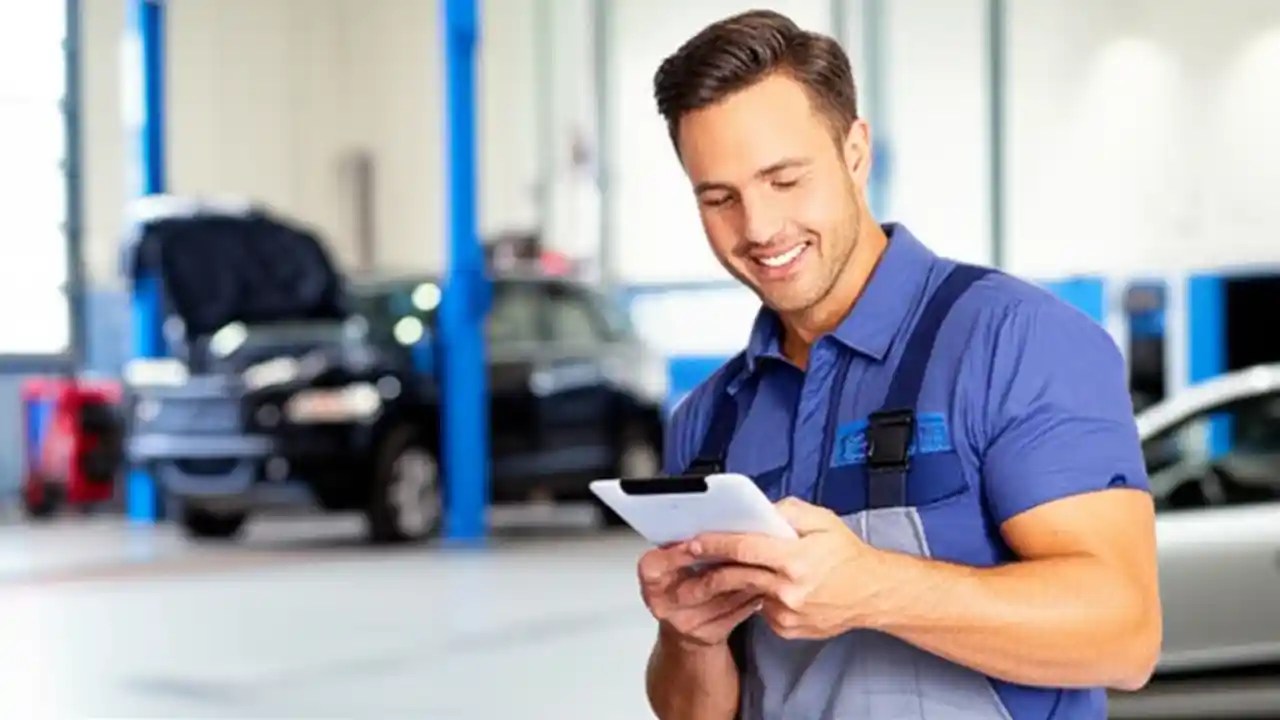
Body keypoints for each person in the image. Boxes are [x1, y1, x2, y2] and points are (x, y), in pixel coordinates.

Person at [636, 9, 1162, 720]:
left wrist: (875, 588)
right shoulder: (707, 421)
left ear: (856, 151)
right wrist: (689, 638)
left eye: (785, 180)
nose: (758, 228)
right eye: (720, 199)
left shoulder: (1015, 341)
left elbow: (1124, 634)